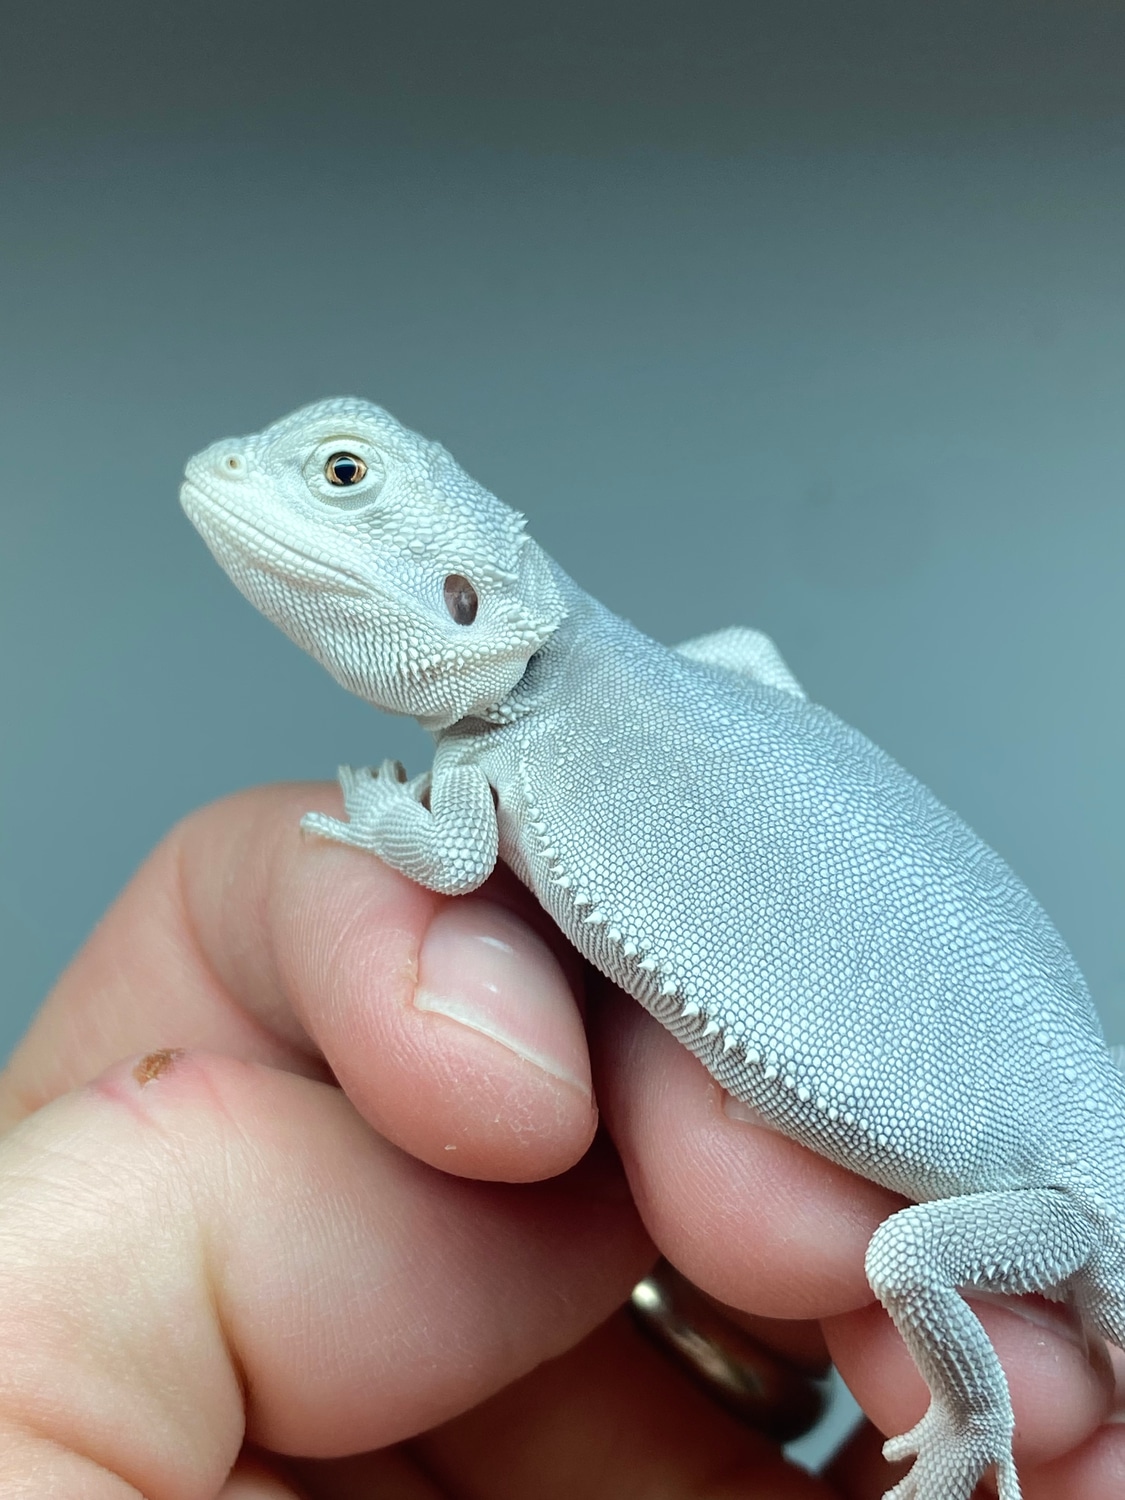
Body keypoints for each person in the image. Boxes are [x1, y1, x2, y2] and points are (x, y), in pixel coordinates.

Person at [0, 783, 1119, 1497]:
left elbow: (442, 855)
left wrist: (971, 1423)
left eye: (345, 478)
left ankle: (974, 1418)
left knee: (902, 1257)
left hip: (1070, 1211)